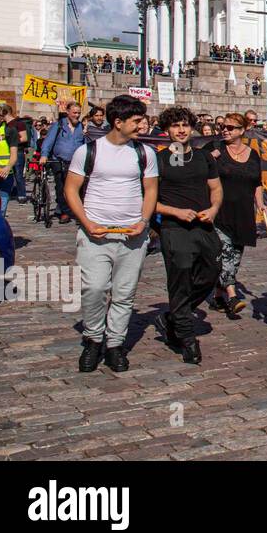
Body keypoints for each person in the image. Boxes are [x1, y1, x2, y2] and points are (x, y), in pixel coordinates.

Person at [64, 95, 159, 373]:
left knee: (124, 293)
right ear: (118, 122)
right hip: (95, 233)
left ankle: (115, 343)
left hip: (132, 234)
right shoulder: (88, 151)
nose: (143, 125)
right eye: (137, 120)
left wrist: (143, 221)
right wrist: (86, 222)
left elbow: (150, 190)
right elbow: (71, 189)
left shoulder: (145, 153)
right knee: (93, 289)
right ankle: (94, 338)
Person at [153, 106, 222, 364]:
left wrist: (214, 209)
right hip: (174, 227)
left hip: (204, 226)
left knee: (212, 273)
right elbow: (148, 200)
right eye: (175, 126)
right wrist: (176, 212)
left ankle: (173, 316)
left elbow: (215, 188)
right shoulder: (158, 160)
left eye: (184, 125)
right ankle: (186, 338)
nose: (181, 130)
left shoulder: (204, 157)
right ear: (167, 130)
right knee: (180, 279)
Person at [209, 113, 263, 316]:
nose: (225, 130)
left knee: (236, 256)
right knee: (225, 252)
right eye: (223, 126)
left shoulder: (253, 154)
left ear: (242, 130)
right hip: (219, 210)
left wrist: (260, 203)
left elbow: (256, 181)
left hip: (243, 211)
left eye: (231, 127)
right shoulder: (215, 149)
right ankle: (232, 296)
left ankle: (217, 296)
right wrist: (208, 158)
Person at [40, 101, 87, 224]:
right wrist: (44, 155)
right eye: (74, 113)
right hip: (58, 160)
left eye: (78, 113)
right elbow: (48, 141)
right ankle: (64, 211)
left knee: (78, 187)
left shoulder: (81, 127)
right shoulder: (58, 125)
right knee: (62, 187)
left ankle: (77, 211)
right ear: (67, 112)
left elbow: (85, 144)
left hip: (75, 162)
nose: (76, 115)